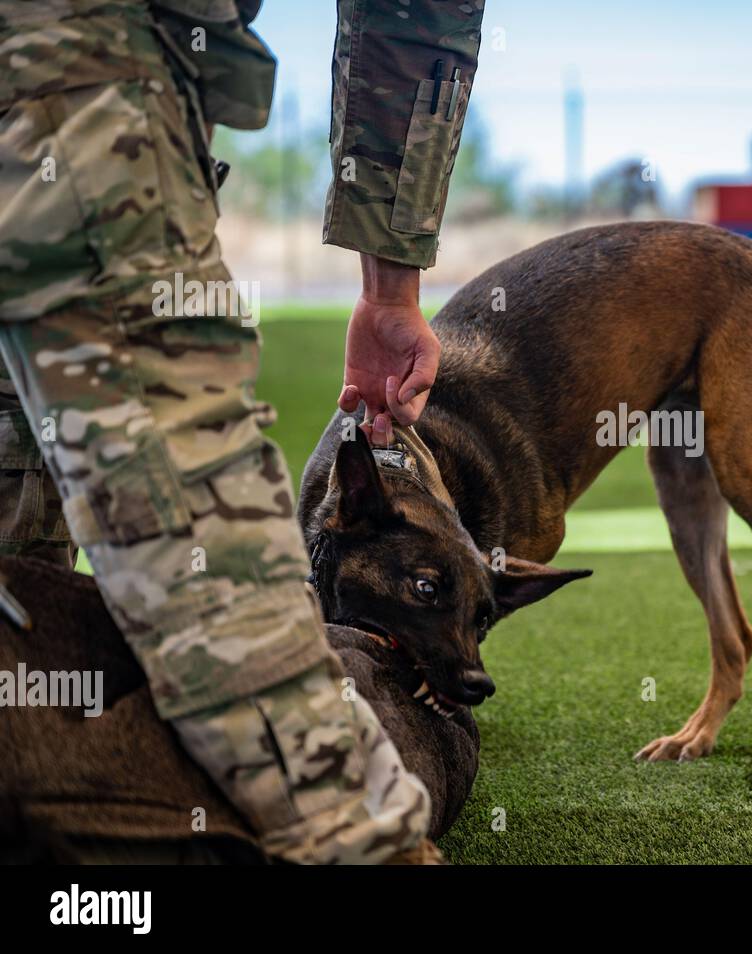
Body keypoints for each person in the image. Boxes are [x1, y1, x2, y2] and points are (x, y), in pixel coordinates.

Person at [0, 0, 483, 864]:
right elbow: (176, 472)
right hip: (76, 60)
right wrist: (367, 836)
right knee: (176, 471)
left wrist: (390, 292)